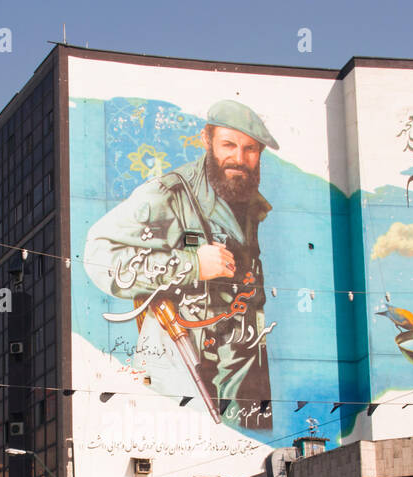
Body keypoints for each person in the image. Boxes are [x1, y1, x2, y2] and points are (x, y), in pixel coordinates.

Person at [83, 101, 278, 431]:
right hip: (183, 365)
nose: (240, 159)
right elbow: (99, 256)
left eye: (250, 150)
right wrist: (191, 265)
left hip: (244, 370)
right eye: (229, 145)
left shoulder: (249, 199)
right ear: (207, 139)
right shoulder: (169, 193)